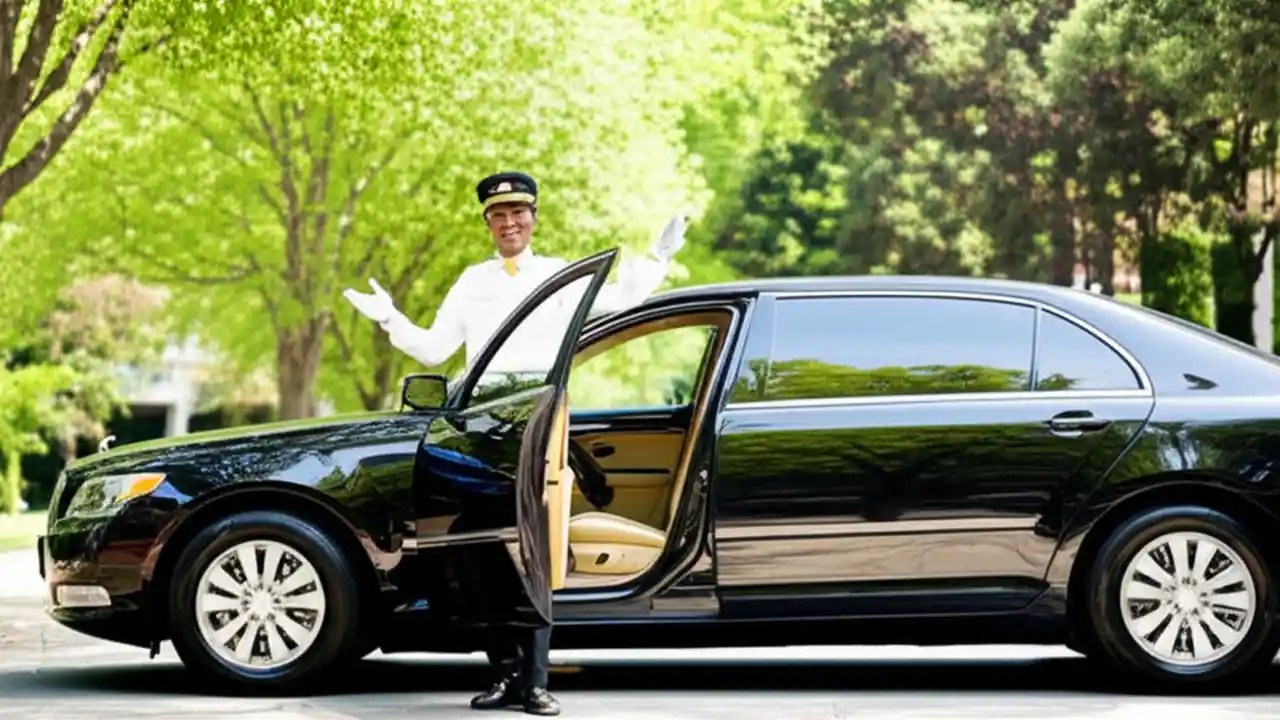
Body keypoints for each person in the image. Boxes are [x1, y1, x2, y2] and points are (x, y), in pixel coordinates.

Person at [342, 171, 685, 716]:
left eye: (518, 213)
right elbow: (434, 352)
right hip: (481, 424)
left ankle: (536, 682)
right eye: (499, 216)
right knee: (481, 548)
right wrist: (390, 317)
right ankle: (503, 673)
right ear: (488, 224)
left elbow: (619, 300)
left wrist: (658, 257)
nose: (510, 223)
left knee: (535, 548)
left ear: (533, 219)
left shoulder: (557, 276)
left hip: (537, 422)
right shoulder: (472, 280)